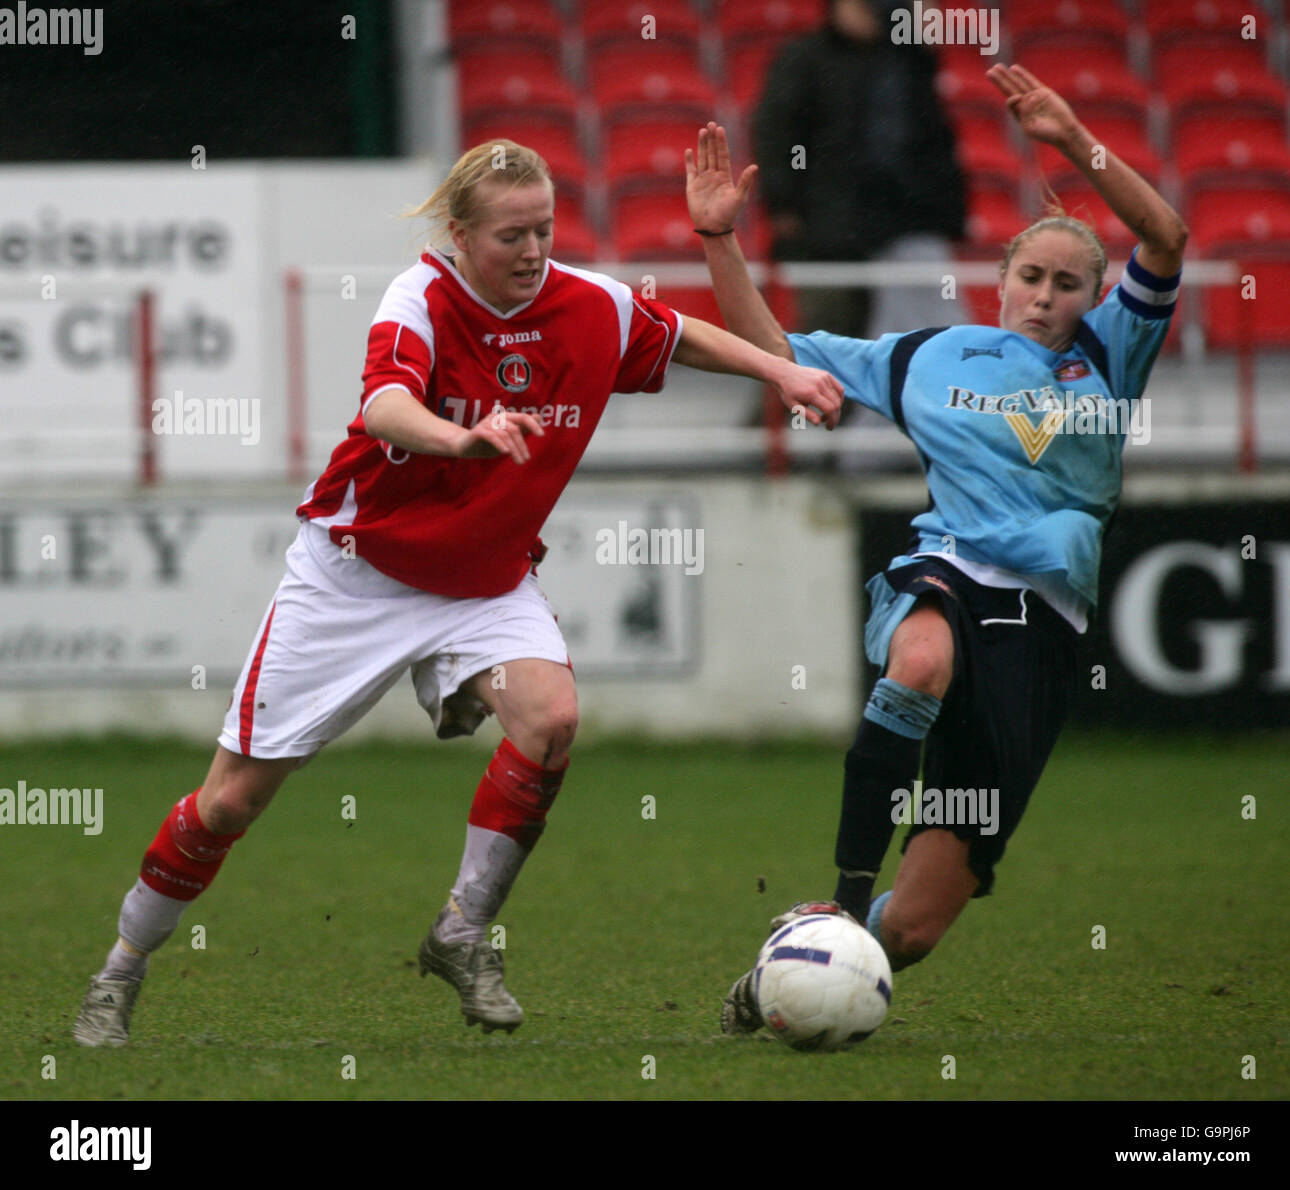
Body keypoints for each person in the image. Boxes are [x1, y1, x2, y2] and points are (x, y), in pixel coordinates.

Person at [72, 140, 843, 1046]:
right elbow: (382, 408)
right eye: (511, 234)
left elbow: (674, 335)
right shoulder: (422, 300)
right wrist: (461, 438)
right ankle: (119, 970)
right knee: (230, 802)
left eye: (544, 231)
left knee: (550, 720)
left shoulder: (586, 302)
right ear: (459, 233)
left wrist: (782, 371)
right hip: (356, 576)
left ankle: (461, 931)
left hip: (485, 580)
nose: (531, 251)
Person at [685, 63, 1187, 1032]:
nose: (1044, 295)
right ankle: (836, 896)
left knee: (908, 932)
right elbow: (776, 353)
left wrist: (1074, 138)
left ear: (1092, 295)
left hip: (1040, 630)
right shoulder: (929, 355)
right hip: (947, 568)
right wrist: (718, 241)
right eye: (1029, 277)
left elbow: (1165, 236)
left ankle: (808, 957)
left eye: (1066, 282)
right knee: (917, 656)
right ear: (998, 282)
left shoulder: (1111, 356)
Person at [751, 0, 968, 341]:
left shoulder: (903, 61)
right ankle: (796, 395)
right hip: (825, 226)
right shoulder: (805, 58)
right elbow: (779, 133)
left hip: (902, 219)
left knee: (909, 333)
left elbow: (933, 137)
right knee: (828, 331)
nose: (870, 12)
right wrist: (783, 202)